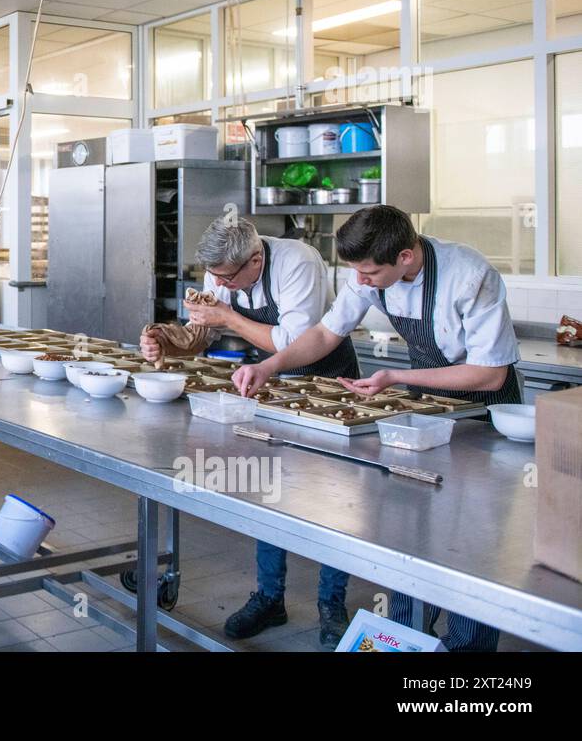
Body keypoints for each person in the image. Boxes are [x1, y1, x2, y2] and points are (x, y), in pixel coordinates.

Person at [234, 205, 520, 652]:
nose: (361, 282)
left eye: (369, 274)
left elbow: (489, 374)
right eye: (357, 273)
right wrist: (271, 365)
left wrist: (397, 378)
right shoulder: (372, 272)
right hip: (429, 412)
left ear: (406, 257)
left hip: (483, 419)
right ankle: (406, 638)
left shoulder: (470, 276)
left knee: (470, 542)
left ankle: (468, 649)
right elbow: (327, 333)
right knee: (411, 523)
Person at [141, 218, 359, 647]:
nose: (218, 283)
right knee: (269, 492)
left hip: (328, 386)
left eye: (226, 278)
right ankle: (269, 597)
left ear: (255, 260)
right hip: (270, 386)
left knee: (335, 500)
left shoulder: (298, 262)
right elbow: (200, 335)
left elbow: (295, 341)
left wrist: (224, 314)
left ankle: (332, 605)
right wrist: (164, 340)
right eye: (215, 276)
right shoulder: (222, 268)